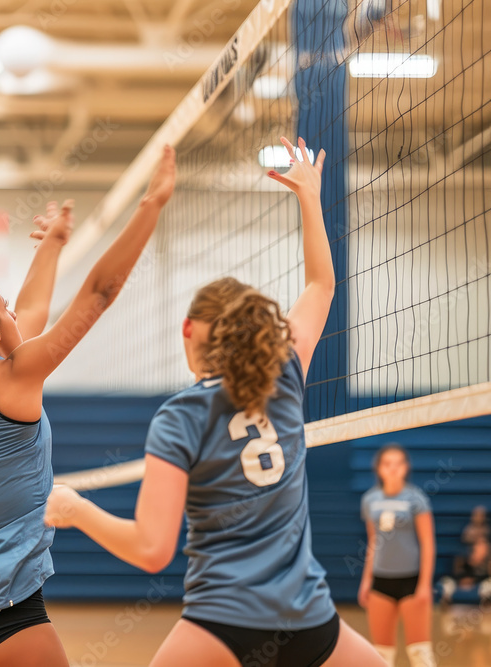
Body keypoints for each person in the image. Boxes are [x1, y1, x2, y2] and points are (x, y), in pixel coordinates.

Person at [45, 138, 386, 667]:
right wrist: (310, 197)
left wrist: (75, 508)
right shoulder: (285, 375)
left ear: (188, 329)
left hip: (222, 624)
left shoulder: (181, 416)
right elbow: (322, 284)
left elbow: (152, 550)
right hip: (307, 619)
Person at [0, 145, 177, 667]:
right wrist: (151, 204)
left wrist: (53, 244)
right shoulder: (11, 376)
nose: (18, 311)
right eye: (4, 309)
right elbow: (98, 294)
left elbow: (30, 309)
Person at [359, 445, 437, 667]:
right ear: (379, 469)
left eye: (398, 463)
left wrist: (424, 584)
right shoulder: (370, 499)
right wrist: (366, 580)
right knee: (381, 656)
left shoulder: (416, 498)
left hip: (411, 581)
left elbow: (428, 544)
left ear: (406, 468)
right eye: (387, 464)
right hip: (380, 582)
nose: (393, 469)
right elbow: (373, 542)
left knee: (420, 654)